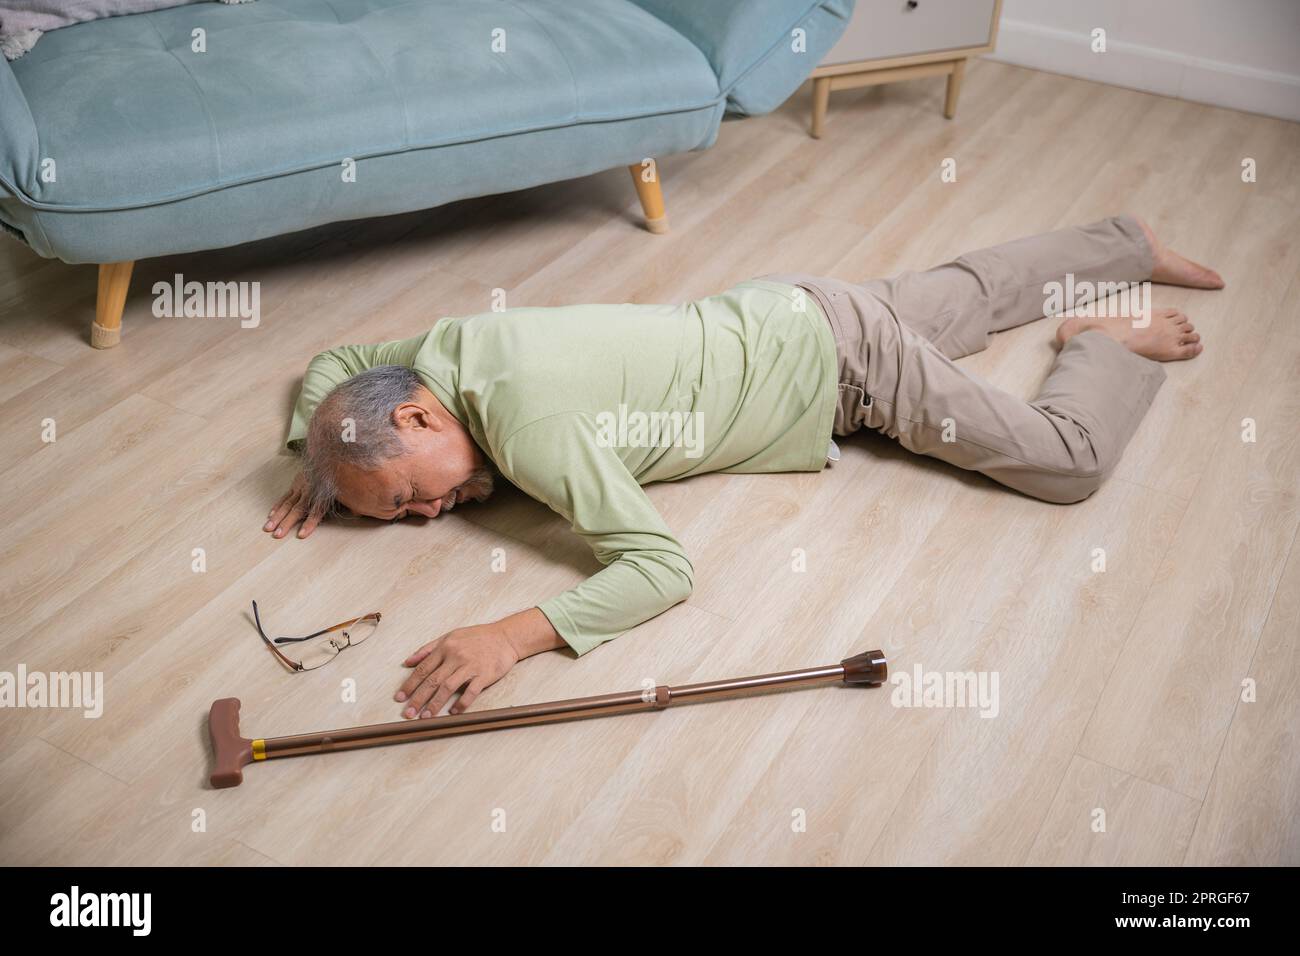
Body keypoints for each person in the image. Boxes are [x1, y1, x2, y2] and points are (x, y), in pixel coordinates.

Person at [263, 214, 1222, 719]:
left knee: (1069, 461)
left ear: (419, 416)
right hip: (791, 306)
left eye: (410, 497)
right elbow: (337, 363)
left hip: (842, 371)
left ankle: (1097, 341)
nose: (429, 516)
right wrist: (321, 459)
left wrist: (510, 637)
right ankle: (1124, 241)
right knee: (969, 296)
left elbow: (662, 568)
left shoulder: (530, 429)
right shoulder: (439, 355)